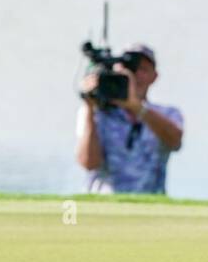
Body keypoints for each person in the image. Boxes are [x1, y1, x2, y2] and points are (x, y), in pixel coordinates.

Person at [76, 44, 184, 194]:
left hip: (151, 206)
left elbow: (175, 141)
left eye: (143, 70)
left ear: (154, 76)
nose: (136, 76)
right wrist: (89, 106)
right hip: (103, 207)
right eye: (131, 69)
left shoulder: (168, 114)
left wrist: (136, 107)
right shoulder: (99, 113)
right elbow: (89, 163)